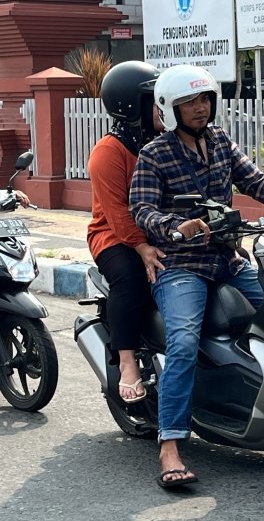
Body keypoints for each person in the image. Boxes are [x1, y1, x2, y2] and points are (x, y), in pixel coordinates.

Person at [130, 64, 264, 489]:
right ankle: (170, 444)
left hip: (227, 257)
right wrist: (173, 226)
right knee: (183, 344)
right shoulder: (154, 154)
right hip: (183, 266)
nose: (200, 108)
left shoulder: (220, 141)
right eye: (189, 102)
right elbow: (142, 209)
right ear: (170, 109)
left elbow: (254, 181)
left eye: (204, 99)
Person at [87, 61, 166, 405]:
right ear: (132, 106)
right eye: (154, 100)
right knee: (131, 279)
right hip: (113, 236)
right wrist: (142, 247)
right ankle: (128, 361)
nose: (162, 107)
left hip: (156, 229)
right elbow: (117, 213)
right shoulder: (108, 151)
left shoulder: (163, 142)